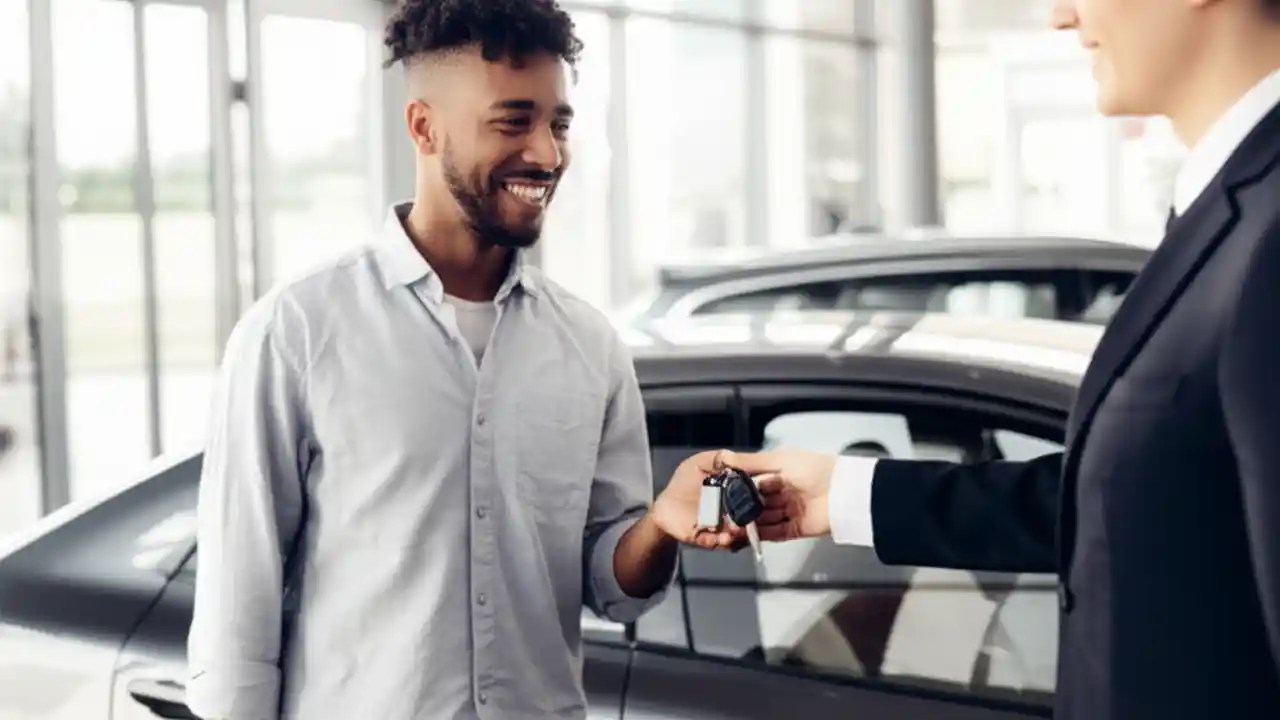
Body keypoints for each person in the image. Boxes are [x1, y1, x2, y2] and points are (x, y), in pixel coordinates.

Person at [687, 1, 1280, 718]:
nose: (1062, 15)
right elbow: (1141, 500)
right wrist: (841, 495)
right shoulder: (1232, 203)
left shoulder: (1269, 227)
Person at [186, 2, 738, 719]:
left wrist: (661, 525)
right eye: (513, 121)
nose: (546, 154)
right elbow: (238, 612)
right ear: (424, 127)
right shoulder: (297, 332)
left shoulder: (589, 346)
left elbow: (613, 589)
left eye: (559, 123)